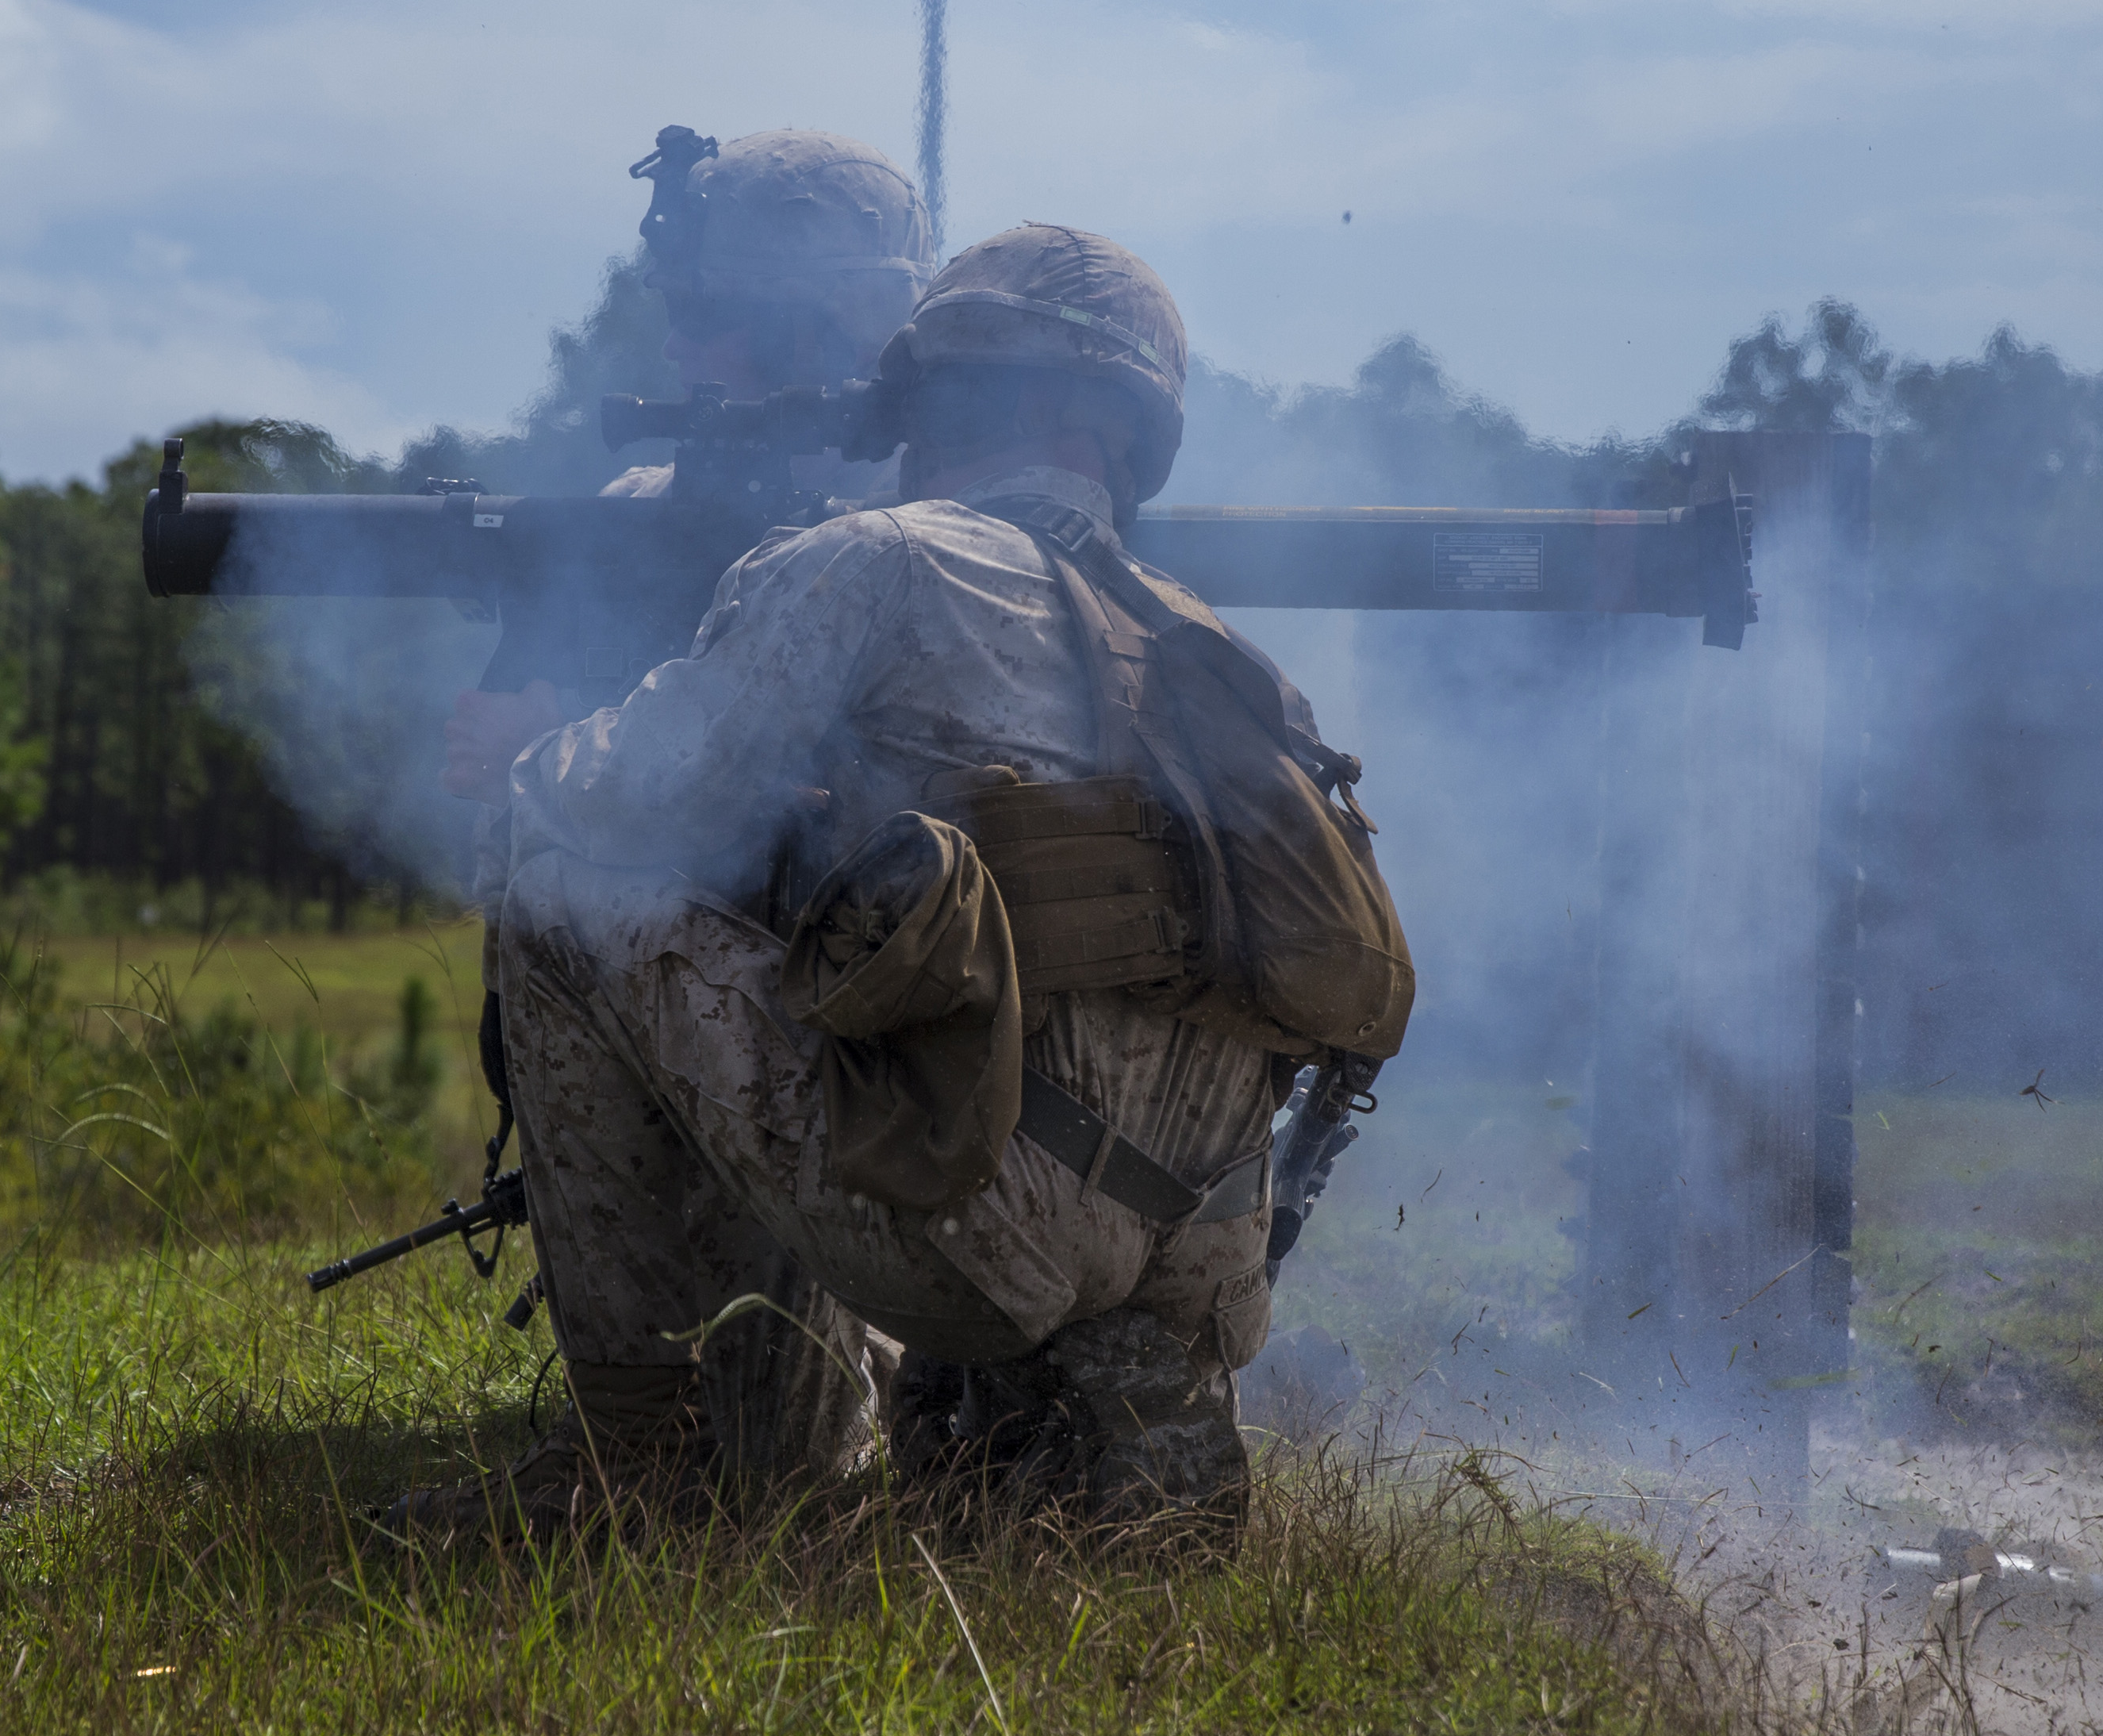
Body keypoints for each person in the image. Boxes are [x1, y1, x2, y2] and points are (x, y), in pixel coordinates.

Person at [400, 224, 1398, 1546]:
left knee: (558, 868)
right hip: (1204, 1259)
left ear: (975, 392)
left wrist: (539, 744)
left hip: (990, 1221)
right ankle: (1035, 1404)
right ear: (1129, 435)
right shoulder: (1217, 649)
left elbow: (635, 789)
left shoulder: (877, 559)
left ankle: (632, 1469)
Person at [432, 126, 934, 1499]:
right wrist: (540, 734)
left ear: (853, 324)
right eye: (695, 312)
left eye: (745, 322)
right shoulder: (637, 514)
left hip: (920, 1085)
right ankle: (670, 1398)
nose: (703, 353)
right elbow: (499, 765)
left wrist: (590, 758)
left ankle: (798, 1389)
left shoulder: (934, 534)